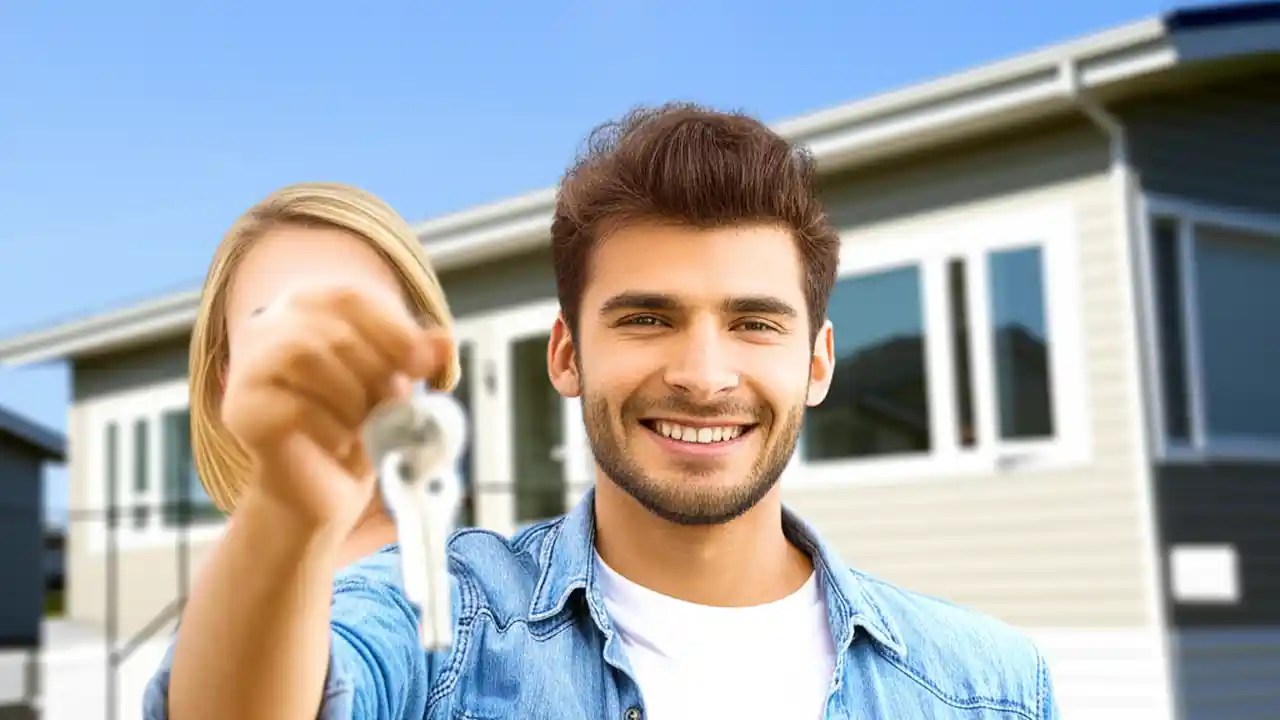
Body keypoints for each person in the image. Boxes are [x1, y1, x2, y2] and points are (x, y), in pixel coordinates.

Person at [144, 106, 1061, 720]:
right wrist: (290, 514)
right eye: (647, 318)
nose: (704, 376)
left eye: (753, 323)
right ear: (566, 355)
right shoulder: (444, 621)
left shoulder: (988, 687)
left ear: (816, 363)